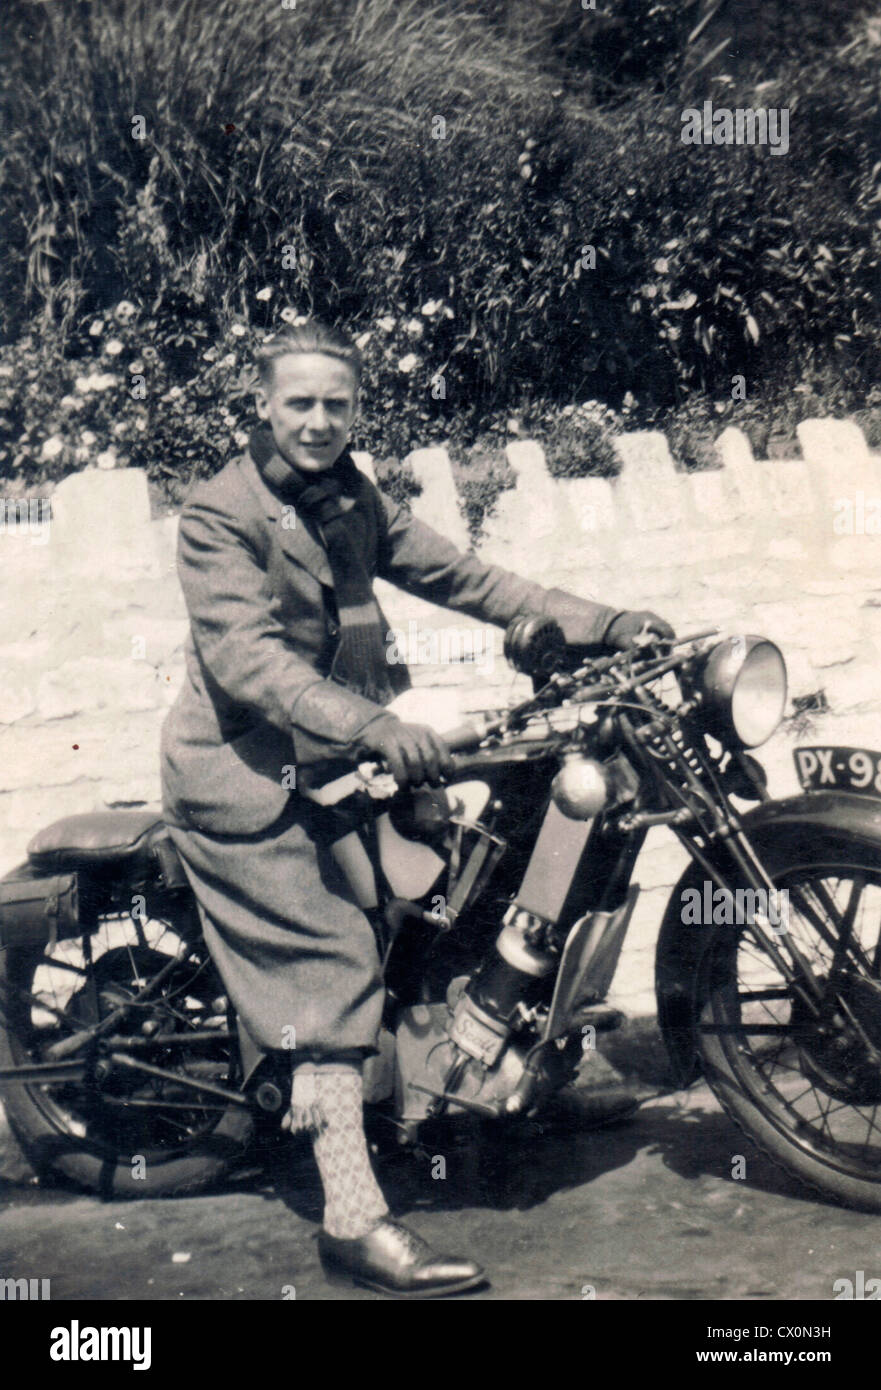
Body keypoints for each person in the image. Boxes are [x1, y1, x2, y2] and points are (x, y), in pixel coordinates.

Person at [159, 319, 673, 1298]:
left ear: (356, 409)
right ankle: (353, 1218)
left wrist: (601, 620)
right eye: (299, 403)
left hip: (345, 755)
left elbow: (468, 578)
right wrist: (367, 724)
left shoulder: (354, 495)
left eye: (336, 404)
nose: (318, 420)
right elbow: (246, 661)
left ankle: (498, 1069)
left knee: (466, 882)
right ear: (262, 404)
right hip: (248, 777)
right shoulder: (216, 515)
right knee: (334, 964)